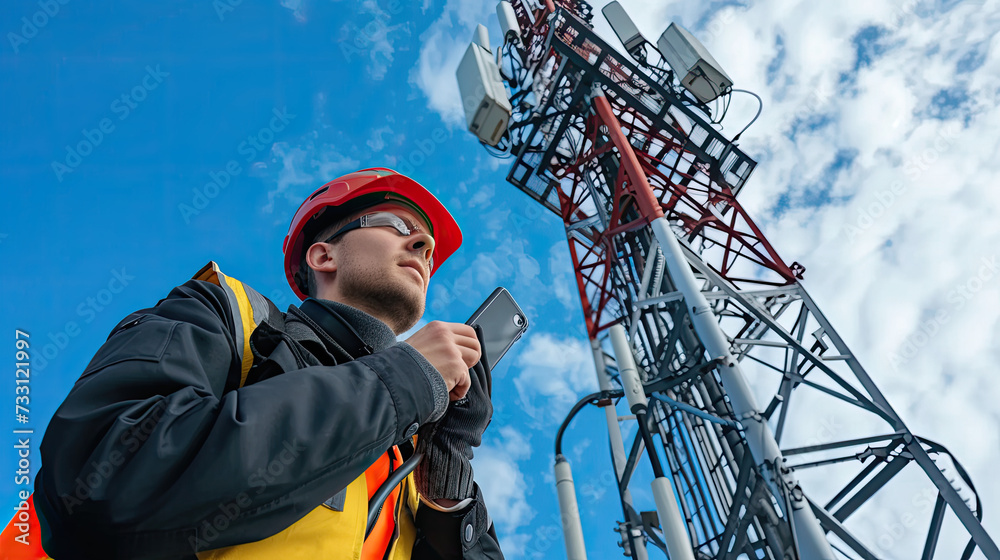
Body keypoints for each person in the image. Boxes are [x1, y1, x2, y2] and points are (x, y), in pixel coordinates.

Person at [31, 168, 505, 559]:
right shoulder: (227, 316)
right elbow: (99, 483)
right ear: (323, 254)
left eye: (428, 246)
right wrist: (403, 382)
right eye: (398, 225)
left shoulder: (410, 454)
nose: (422, 246)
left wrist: (449, 470)